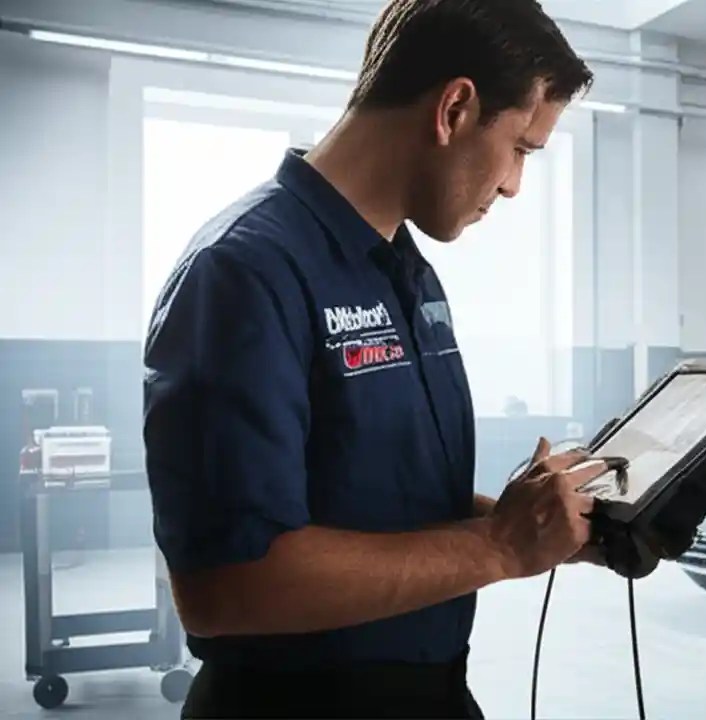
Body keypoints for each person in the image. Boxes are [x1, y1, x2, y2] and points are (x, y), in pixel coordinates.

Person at [142, 1, 604, 717]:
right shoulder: (242, 272)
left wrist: (568, 531)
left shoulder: (405, 268)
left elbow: (399, 508)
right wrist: (499, 549)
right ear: (454, 108)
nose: (514, 185)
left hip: (434, 690)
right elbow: (225, 588)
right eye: (522, 149)